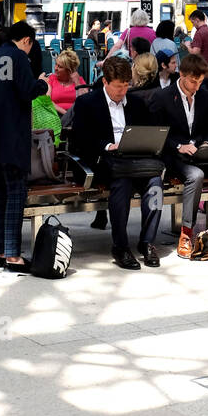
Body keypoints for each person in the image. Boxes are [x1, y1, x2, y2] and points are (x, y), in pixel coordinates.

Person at [68, 56, 164, 269]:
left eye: (126, 86)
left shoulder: (137, 103)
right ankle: (120, 246)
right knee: (122, 184)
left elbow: (149, 131)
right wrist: (107, 145)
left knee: (155, 184)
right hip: (105, 161)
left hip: (135, 159)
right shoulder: (87, 103)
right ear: (105, 82)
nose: (122, 91)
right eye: (118, 87)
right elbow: (81, 140)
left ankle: (147, 242)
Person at [149, 52, 208, 260]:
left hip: (201, 153)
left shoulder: (205, 96)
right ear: (181, 74)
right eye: (193, 81)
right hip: (174, 157)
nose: (197, 86)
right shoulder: (162, 97)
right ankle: (186, 233)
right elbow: (157, 132)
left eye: (200, 82)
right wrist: (178, 146)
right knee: (196, 176)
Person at [0, 22, 49, 274]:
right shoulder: (18, 57)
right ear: (27, 40)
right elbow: (28, 91)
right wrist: (42, 83)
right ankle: (13, 256)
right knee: (16, 194)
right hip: (12, 138)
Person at [46, 48, 88, 114]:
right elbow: (48, 101)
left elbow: (84, 101)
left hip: (76, 114)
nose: (55, 68)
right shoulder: (51, 79)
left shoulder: (79, 80)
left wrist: (77, 83)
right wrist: (66, 114)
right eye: (56, 64)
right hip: (55, 115)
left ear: (69, 70)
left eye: (60, 66)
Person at [185, 8, 208, 89]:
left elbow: (195, 53)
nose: (193, 25)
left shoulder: (199, 33)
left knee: (202, 98)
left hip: (202, 72)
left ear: (197, 20)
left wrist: (188, 46)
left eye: (193, 22)